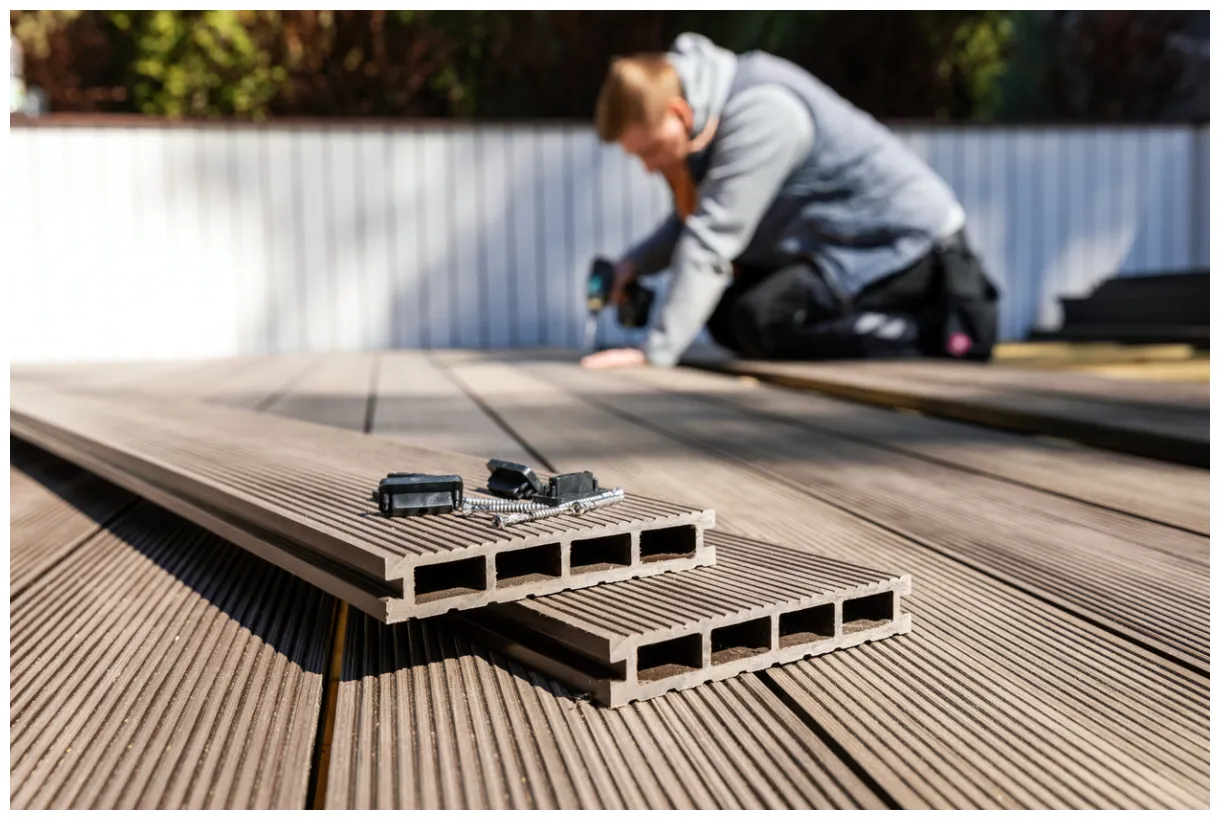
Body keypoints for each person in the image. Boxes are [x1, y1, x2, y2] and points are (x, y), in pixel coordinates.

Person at [580, 32, 1000, 371]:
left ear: (680, 114)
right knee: (727, 317)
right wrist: (631, 266)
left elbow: (712, 236)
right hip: (836, 247)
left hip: (902, 244)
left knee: (758, 319)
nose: (650, 168)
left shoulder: (760, 113)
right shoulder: (710, 116)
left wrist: (654, 355)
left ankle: (930, 331)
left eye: (650, 151)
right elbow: (691, 224)